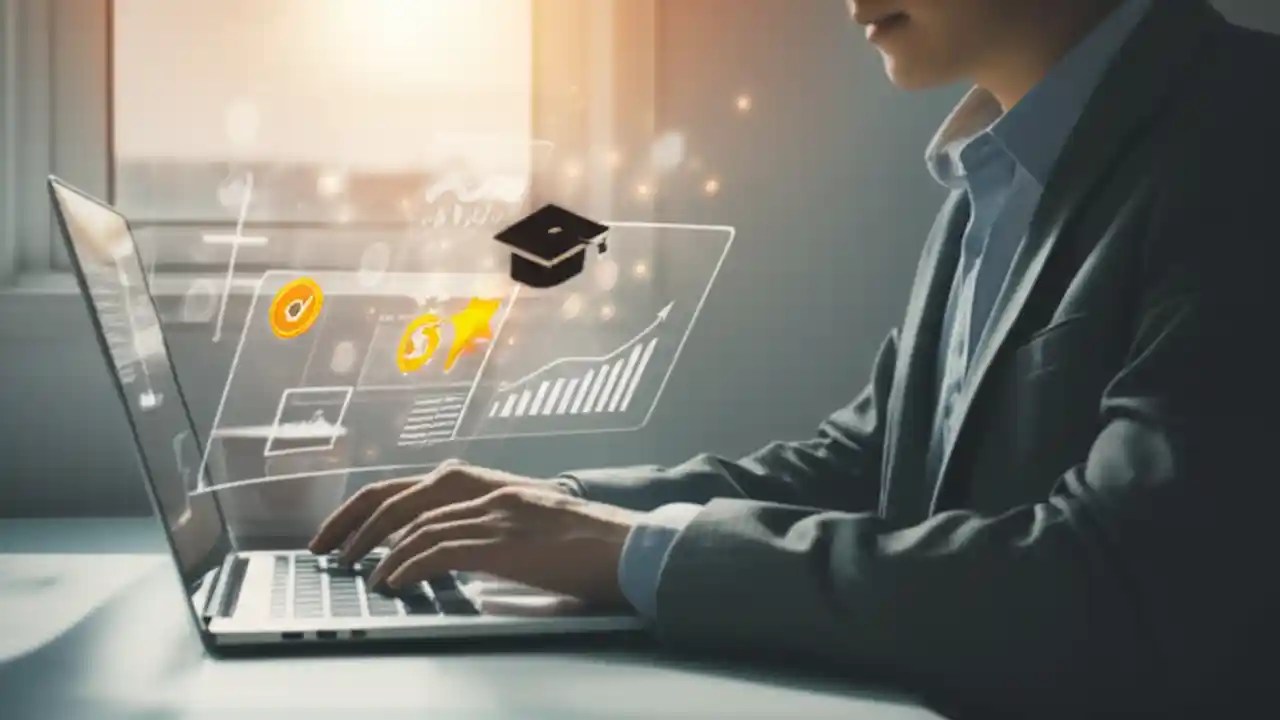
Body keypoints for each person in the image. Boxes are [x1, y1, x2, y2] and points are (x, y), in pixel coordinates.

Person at [310, 0, 1280, 714]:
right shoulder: (995, 169)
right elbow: (865, 469)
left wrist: (635, 553)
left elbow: (1118, 581)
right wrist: (555, 512)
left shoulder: (1244, 132)